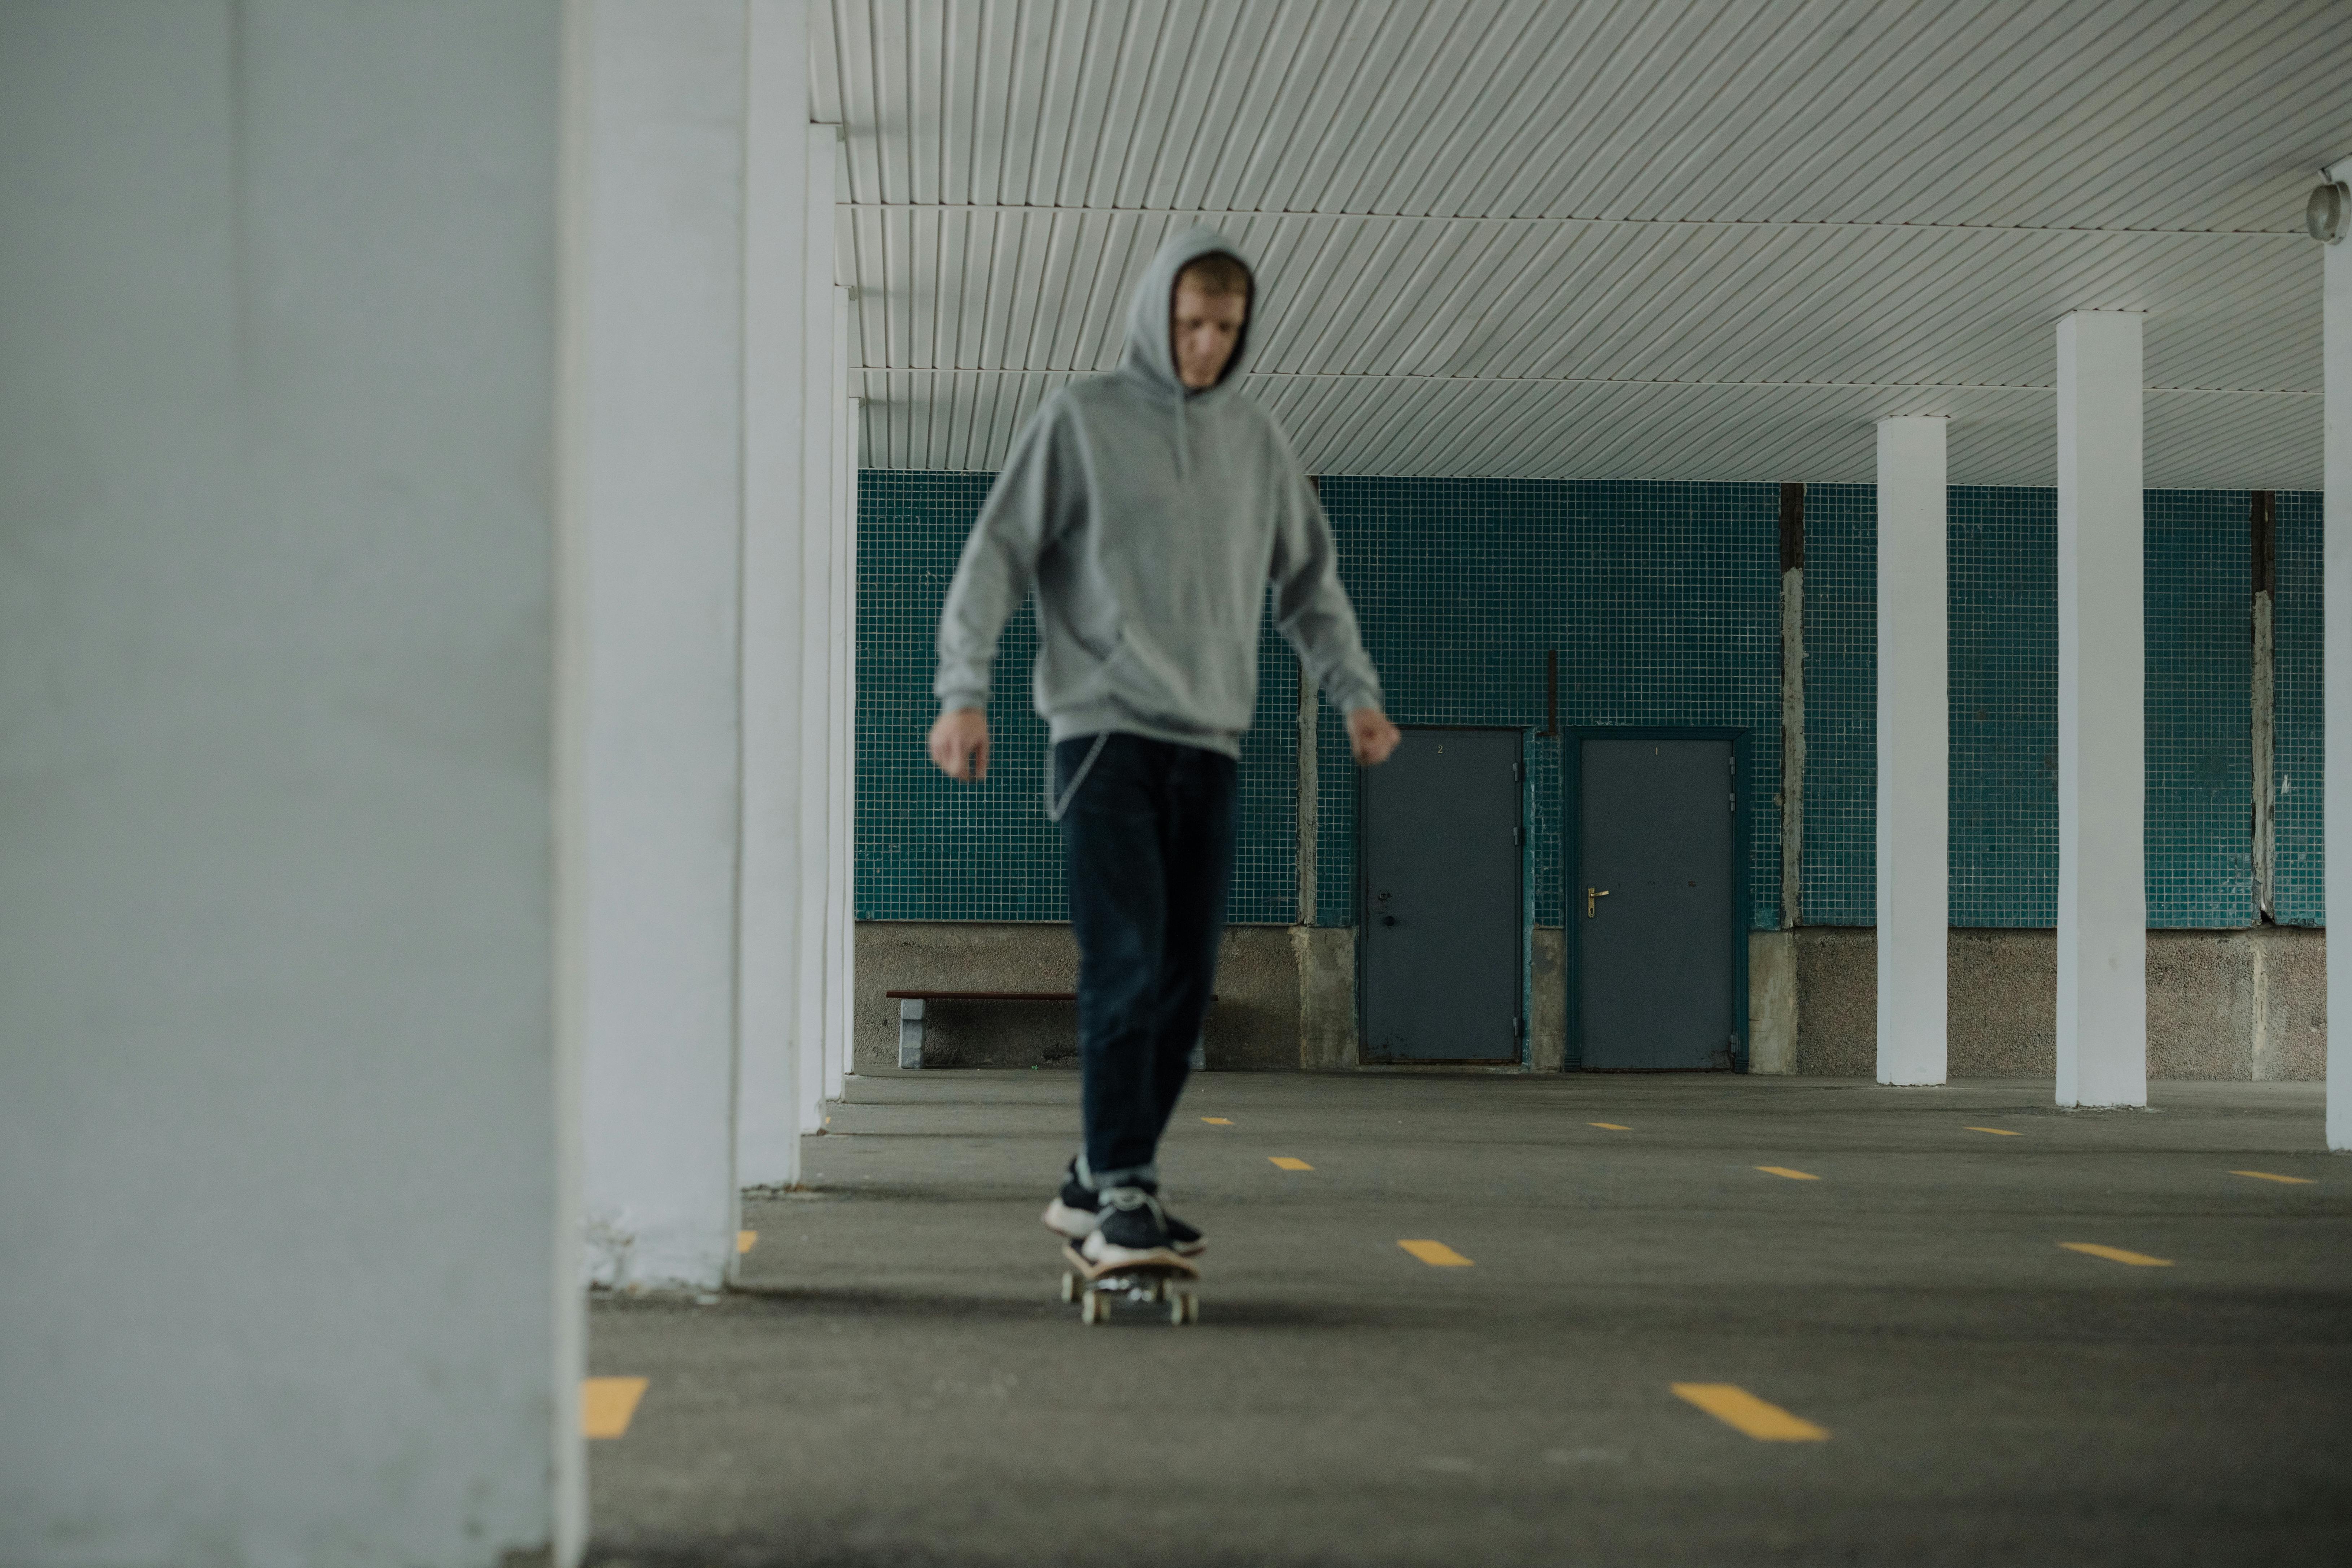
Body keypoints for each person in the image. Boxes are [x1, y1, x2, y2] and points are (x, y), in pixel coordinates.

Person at [927, 227, 1399, 1267]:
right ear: (1158, 315)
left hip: (1212, 738)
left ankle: (1096, 1173)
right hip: (1104, 732)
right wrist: (964, 691)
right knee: (1127, 963)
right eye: (1190, 325)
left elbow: (1310, 585)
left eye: (1225, 330)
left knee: (1185, 980)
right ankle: (1124, 1188)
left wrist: (1353, 694)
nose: (1205, 348)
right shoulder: (1083, 419)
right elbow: (996, 553)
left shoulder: (1256, 439)